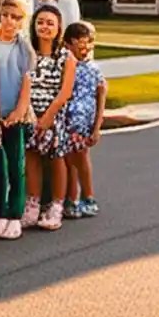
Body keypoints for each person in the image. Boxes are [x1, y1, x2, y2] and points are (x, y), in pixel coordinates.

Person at [0, 0, 35, 241]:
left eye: (16, 17)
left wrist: (18, 111)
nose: (10, 22)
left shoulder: (24, 48)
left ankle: (15, 215)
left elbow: (27, 82)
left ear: (22, 21)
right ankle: (1, 213)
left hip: (17, 115)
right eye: (6, 16)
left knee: (16, 164)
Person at [22, 5, 77, 231]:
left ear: (58, 28)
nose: (44, 27)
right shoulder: (27, 53)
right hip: (30, 113)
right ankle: (32, 205)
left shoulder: (66, 56)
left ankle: (56, 206)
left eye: (50, 23)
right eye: (40, 22)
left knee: (56, 158)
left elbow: (65, 92)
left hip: (54, 114)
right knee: (31, 156)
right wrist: (31, 115)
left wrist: (48, 117)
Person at [61, 21, 106, 219]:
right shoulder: (65, 66)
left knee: (81, 160)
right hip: (66, 123)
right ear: (67, 45)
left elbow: (101, 95)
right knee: (69, 162)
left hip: (83, 124)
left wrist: (97, 127)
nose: (85, 49)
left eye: (88, 44)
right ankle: (72, 199)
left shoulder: (93, 69)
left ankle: (88, 197)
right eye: (79, 44)